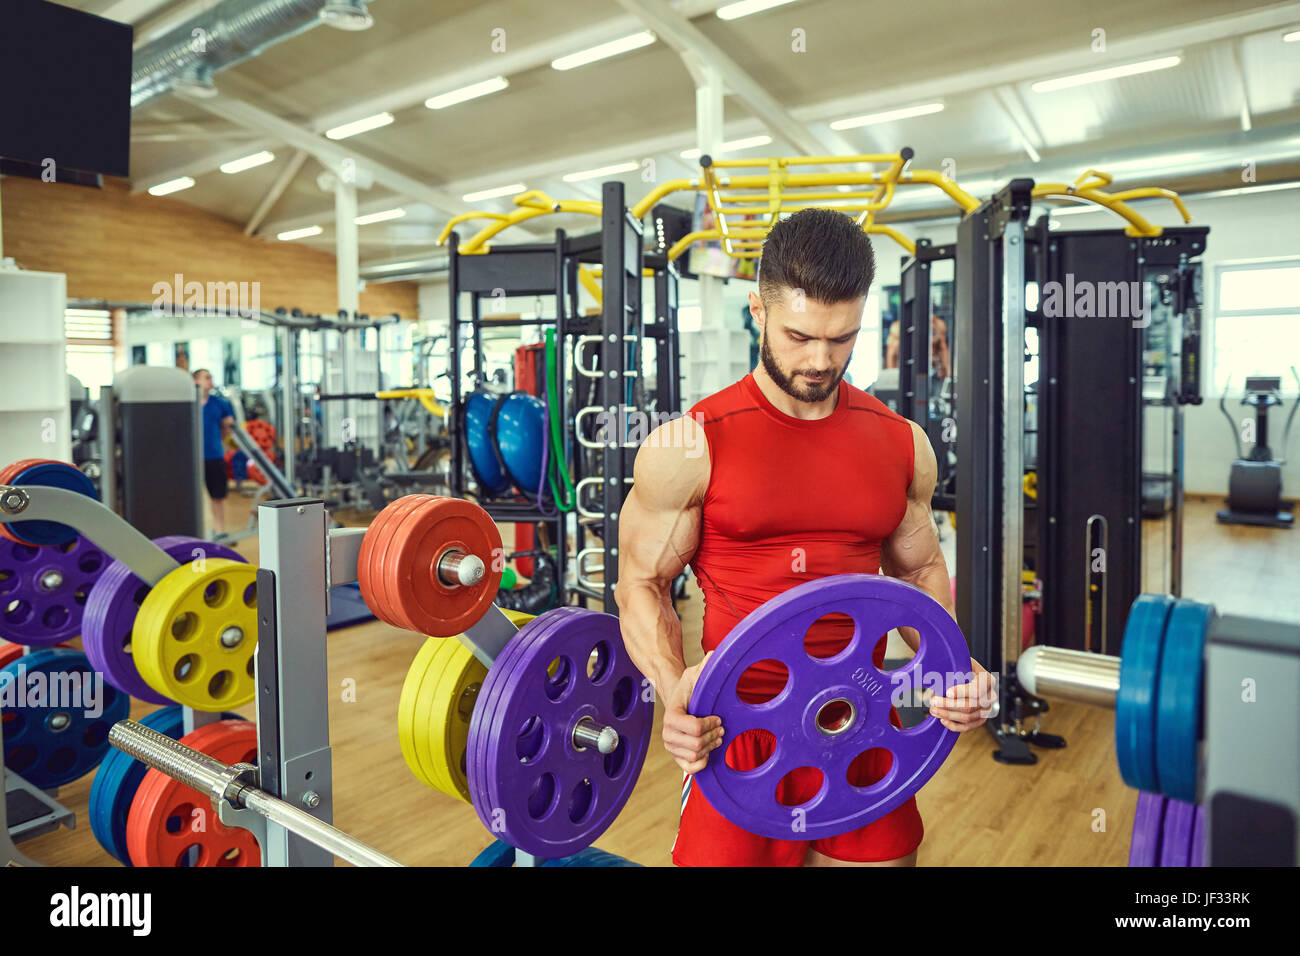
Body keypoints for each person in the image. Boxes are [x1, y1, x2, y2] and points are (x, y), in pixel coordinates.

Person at [616, 208, 994, 867]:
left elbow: (919, 567)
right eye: (799, 335)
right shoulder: (691, 445)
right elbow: (640, 582)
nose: (821, 360)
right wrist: (675, 689)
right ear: (758, 313)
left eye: (842, 338)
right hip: (740, 727)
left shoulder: (901, 443)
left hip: (863, 721)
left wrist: (945, 666)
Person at [194, 368, 234, 537]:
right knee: (191, 498)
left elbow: (228, 428)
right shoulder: (189, 403)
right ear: (196, 382)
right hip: (193, 459)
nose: (211, 381)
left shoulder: (220, 404)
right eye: (207, 378)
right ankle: (194, 531)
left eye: (211, 377)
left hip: (214, 456)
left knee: (217, 496)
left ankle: (220, 530)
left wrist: (219, 443)